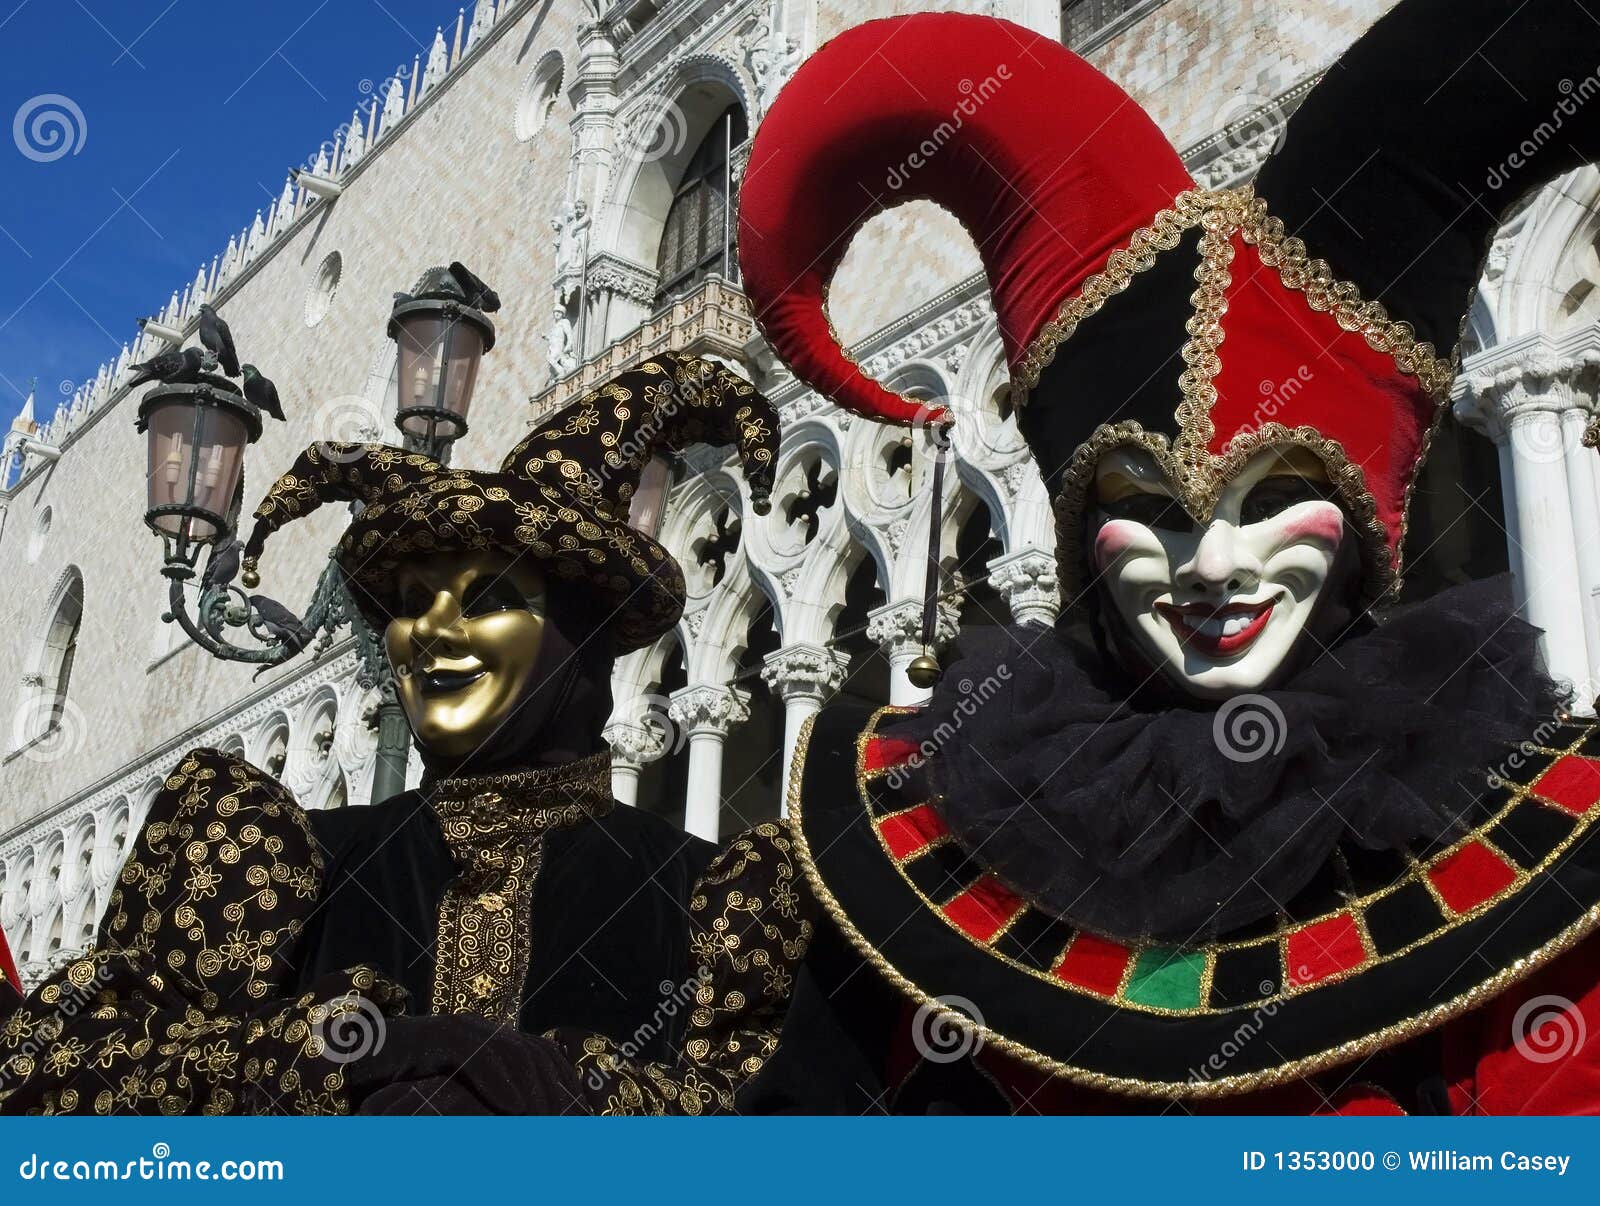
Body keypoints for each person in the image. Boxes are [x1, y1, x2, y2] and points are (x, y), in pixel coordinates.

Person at [734, 3, 1600, 1113]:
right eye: (1150, 508)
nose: (1211, 565)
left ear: (1366, 521)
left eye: (1277, 495)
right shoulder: (912, 837)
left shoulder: (1537, 834)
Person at [0, 351, 811, 1116]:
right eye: (412, 603)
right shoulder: (278, 863)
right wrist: (352, 1059)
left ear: (584, 634)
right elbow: (53, 1085)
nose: (432, 632)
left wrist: (567, 1096)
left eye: (487, 599)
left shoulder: (715, 901)